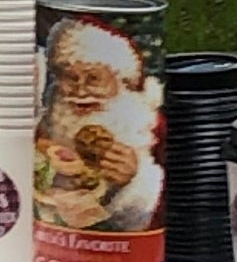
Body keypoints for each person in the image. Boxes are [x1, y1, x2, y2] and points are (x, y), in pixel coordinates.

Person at [38, 17, 164, 232]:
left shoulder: (148, 125)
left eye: (93, 78)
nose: (80, 90)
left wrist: (133, 180)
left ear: (119, 79)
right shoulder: (49, 119)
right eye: (70, 78)